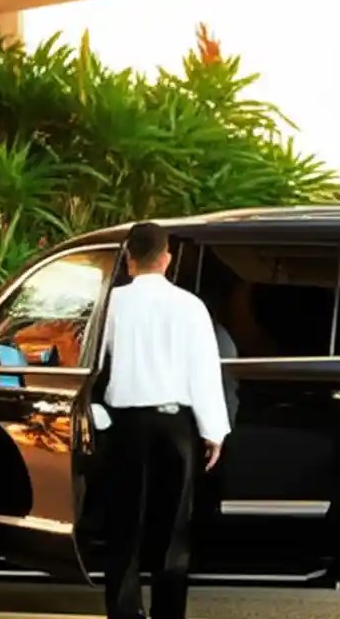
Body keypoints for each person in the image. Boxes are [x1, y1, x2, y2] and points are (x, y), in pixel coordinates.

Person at [97, 222, 230, 619]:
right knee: (173, 530)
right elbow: (204, 372)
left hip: (126, 426)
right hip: (175, 427)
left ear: (128, 258)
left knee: (124, 525)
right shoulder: (190, 306)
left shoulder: (111, 304)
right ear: (166, 259)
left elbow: (95, 362)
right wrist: (213, 431)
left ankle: (124, 612)